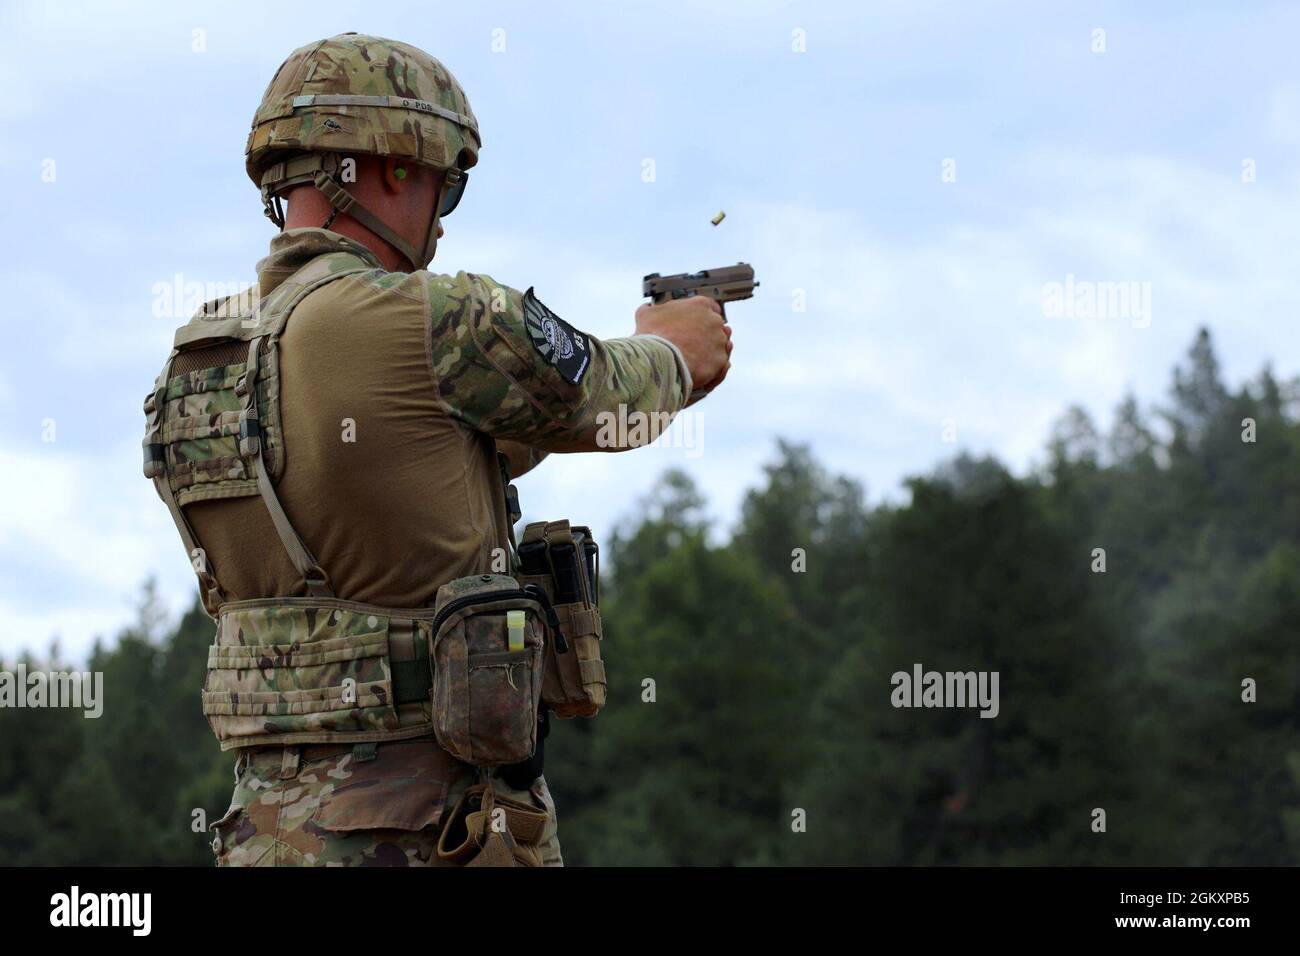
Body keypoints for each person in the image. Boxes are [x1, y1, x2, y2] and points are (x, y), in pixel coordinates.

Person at [143, 32, 731, 866]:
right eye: (444, 189)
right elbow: (606, 397)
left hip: (264, 834)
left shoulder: (198, 364)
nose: (441, 224)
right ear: (394, 167)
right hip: (433, 827)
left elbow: (424, 455)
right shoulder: (438, 316)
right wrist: (676, 350)